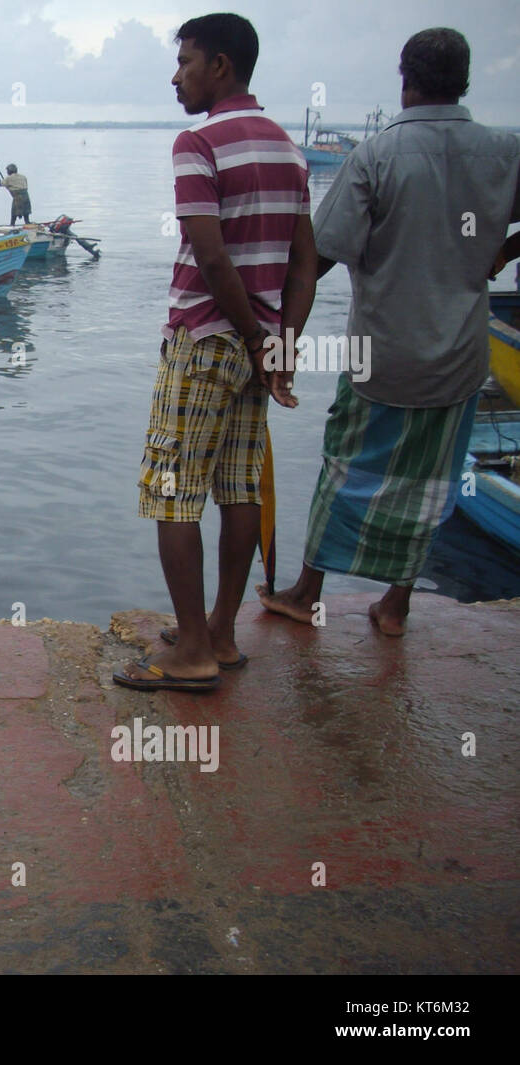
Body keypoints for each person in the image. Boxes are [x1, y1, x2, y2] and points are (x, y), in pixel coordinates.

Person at [259, 27, 520, 637]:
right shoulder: (504, 151)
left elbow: (315, 260)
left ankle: (305, 593)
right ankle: (395, 605)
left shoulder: (376, 157)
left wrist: (281, 341)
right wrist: (503, 252)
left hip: (382, 355)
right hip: (460, 355)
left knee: (346, 468)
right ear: (466, 81)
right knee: (432, 479)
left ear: (405, 80)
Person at [114, 13, 316, 692]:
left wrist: (255, 339)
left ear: (220, 66)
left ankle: (192, 649)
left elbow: (209, 252)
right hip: (255, 352)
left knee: (172, 492)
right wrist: (277, 346)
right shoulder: (288, 148)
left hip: (204, 339)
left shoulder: (198, 141)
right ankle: (222, 633)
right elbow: (305, 267)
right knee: (235, 488)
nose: (177, 77)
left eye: (187, 62)